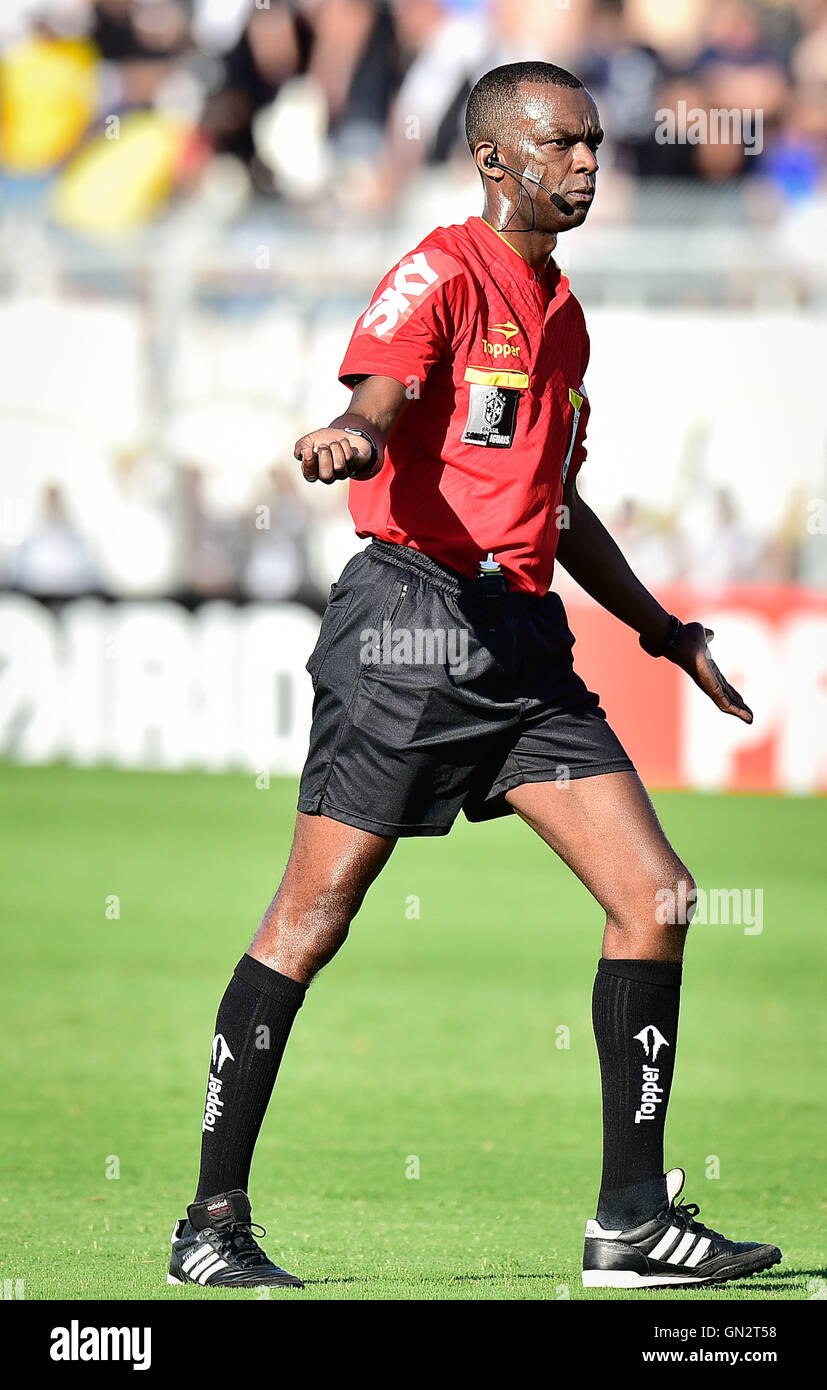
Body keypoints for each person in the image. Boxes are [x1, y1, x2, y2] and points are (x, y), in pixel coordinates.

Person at [168, 61, 782, 1291]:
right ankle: (208, 1225)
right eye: (561, 145)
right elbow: (384, 391)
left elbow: (555, 503)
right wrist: (355, 431)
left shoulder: (563, 318)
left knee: (654, 897)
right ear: (496, 159)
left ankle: (627, 1221)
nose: (587, 165)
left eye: (595, 146)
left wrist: (664, 632)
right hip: (407, 622)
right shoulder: (438, 269)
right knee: (312, 917)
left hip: (520, 638)